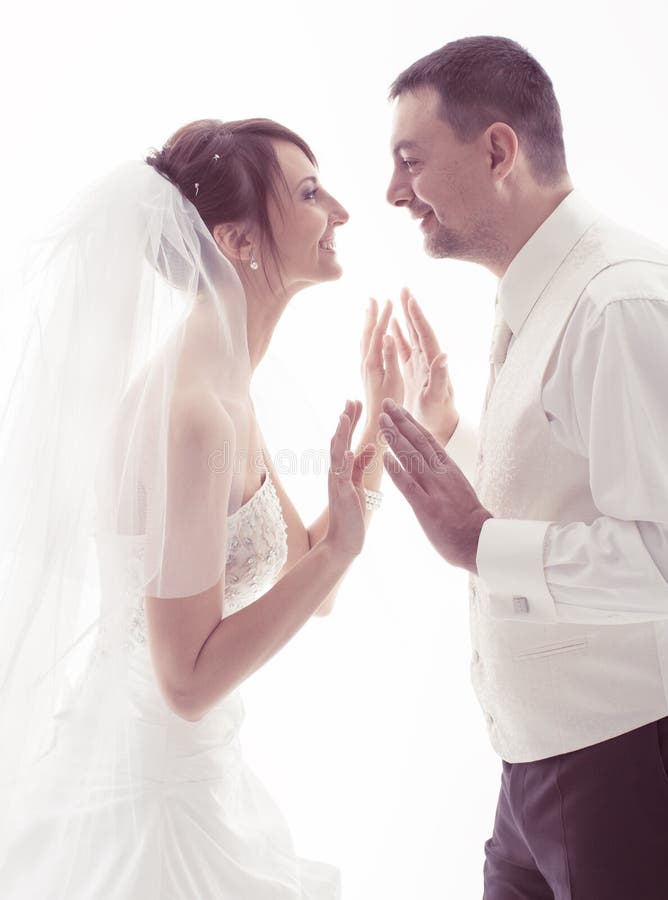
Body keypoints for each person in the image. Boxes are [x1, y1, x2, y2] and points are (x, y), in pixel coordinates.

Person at [0, 118, 403, 898]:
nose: (342, 212)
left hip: (194, 768)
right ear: (237, 241)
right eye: (311, 194)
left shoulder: (225, 387)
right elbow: (183, 680)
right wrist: (342, 551)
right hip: (149, 795)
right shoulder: (194, 417)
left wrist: (382, 424)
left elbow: (308, 579)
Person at [379, 35, 668, 899]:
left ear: (498, 151)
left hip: (622, 765)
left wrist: (478, 543)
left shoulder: (616, 302)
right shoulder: (537, 290)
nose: (393, 191)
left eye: (410, 161)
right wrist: (451, 430)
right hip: (535, 766)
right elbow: (562, 488)